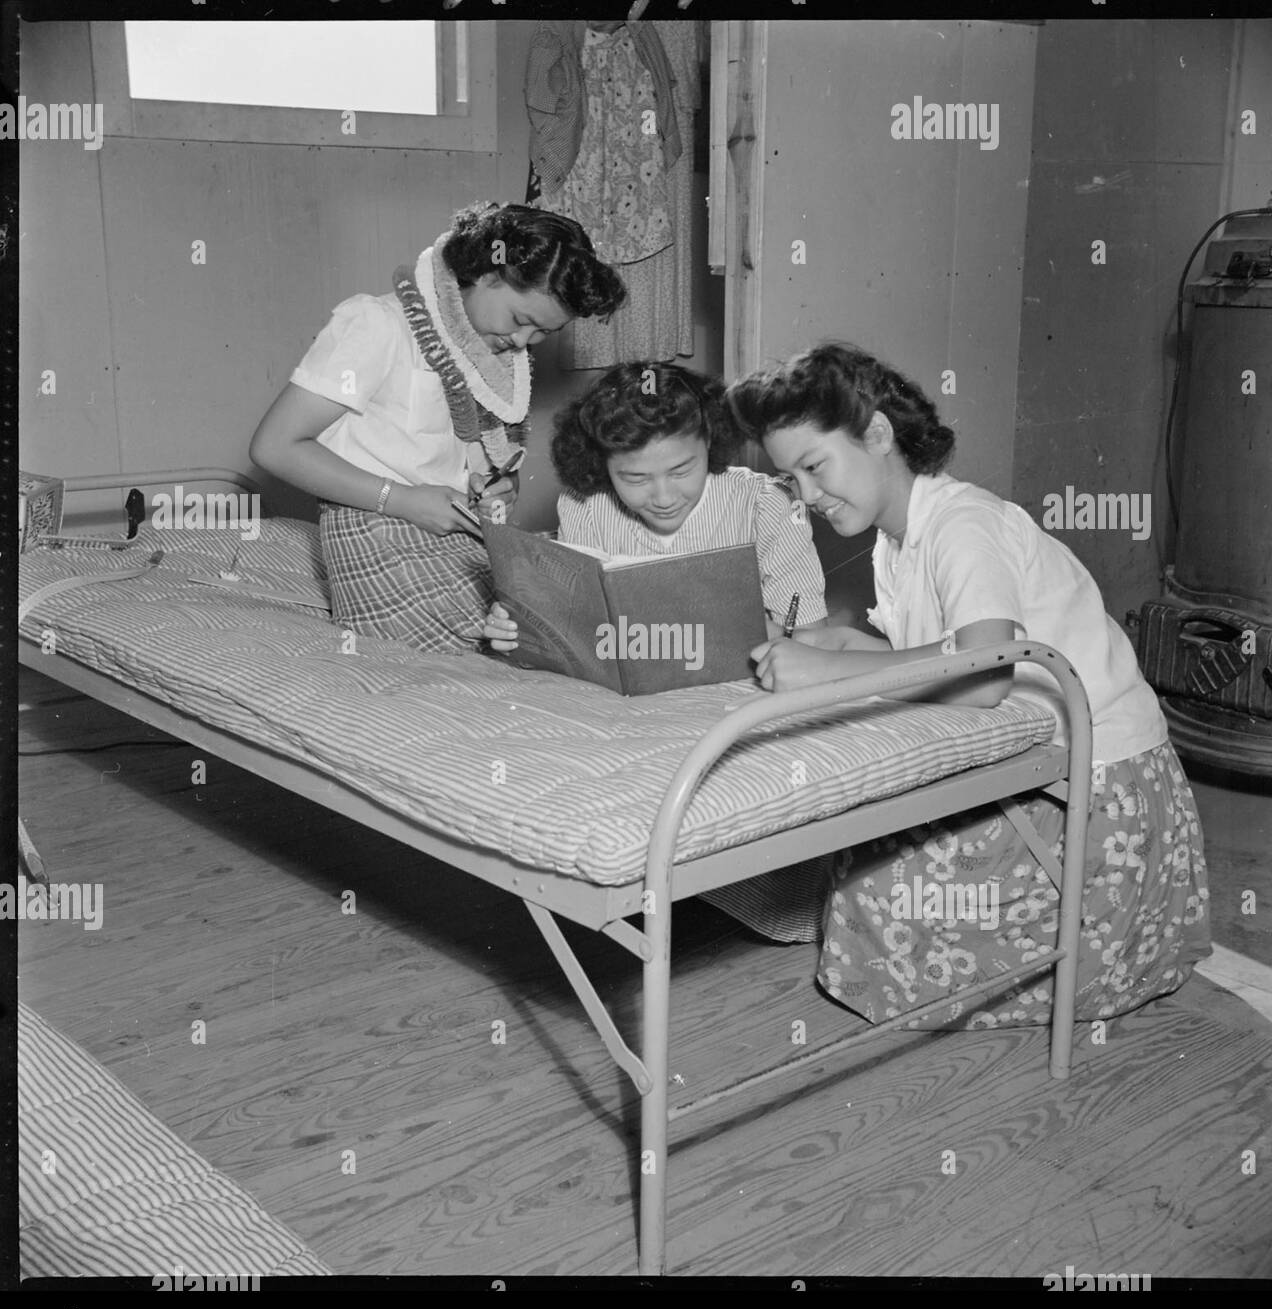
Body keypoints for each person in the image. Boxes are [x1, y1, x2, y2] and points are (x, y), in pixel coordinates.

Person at [712, 340, 1211, 1028]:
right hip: (1034, 756)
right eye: (789, 480)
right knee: (866, 870)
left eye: (814, 467)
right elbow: (941, 648)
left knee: (883, 890)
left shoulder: (964, 524)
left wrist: (834, 671)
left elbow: (981, 677)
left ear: (878, 432)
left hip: (1100, 790)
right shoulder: (898, 535)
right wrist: (852, 643)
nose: (806, 496)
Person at [249, 203, 627, 654]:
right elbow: (274, 446)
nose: (524, 342)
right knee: (531, 643)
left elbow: (456, 456)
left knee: (578, 610)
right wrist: (402, 499)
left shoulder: (485, 351)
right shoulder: (378, 324)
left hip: (456, 539)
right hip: (379, 541)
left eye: (543, 332)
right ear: (489, 273)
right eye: (522, 320)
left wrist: (496, 488)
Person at [481, 361, 829, 651]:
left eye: (682, 470)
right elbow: (574, 623)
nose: (664, 498)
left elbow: (811, 639)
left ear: (709, 440)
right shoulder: (585, 507)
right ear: (602, 464)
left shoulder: (769, 507)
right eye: (635, 479)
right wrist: (521, 626)